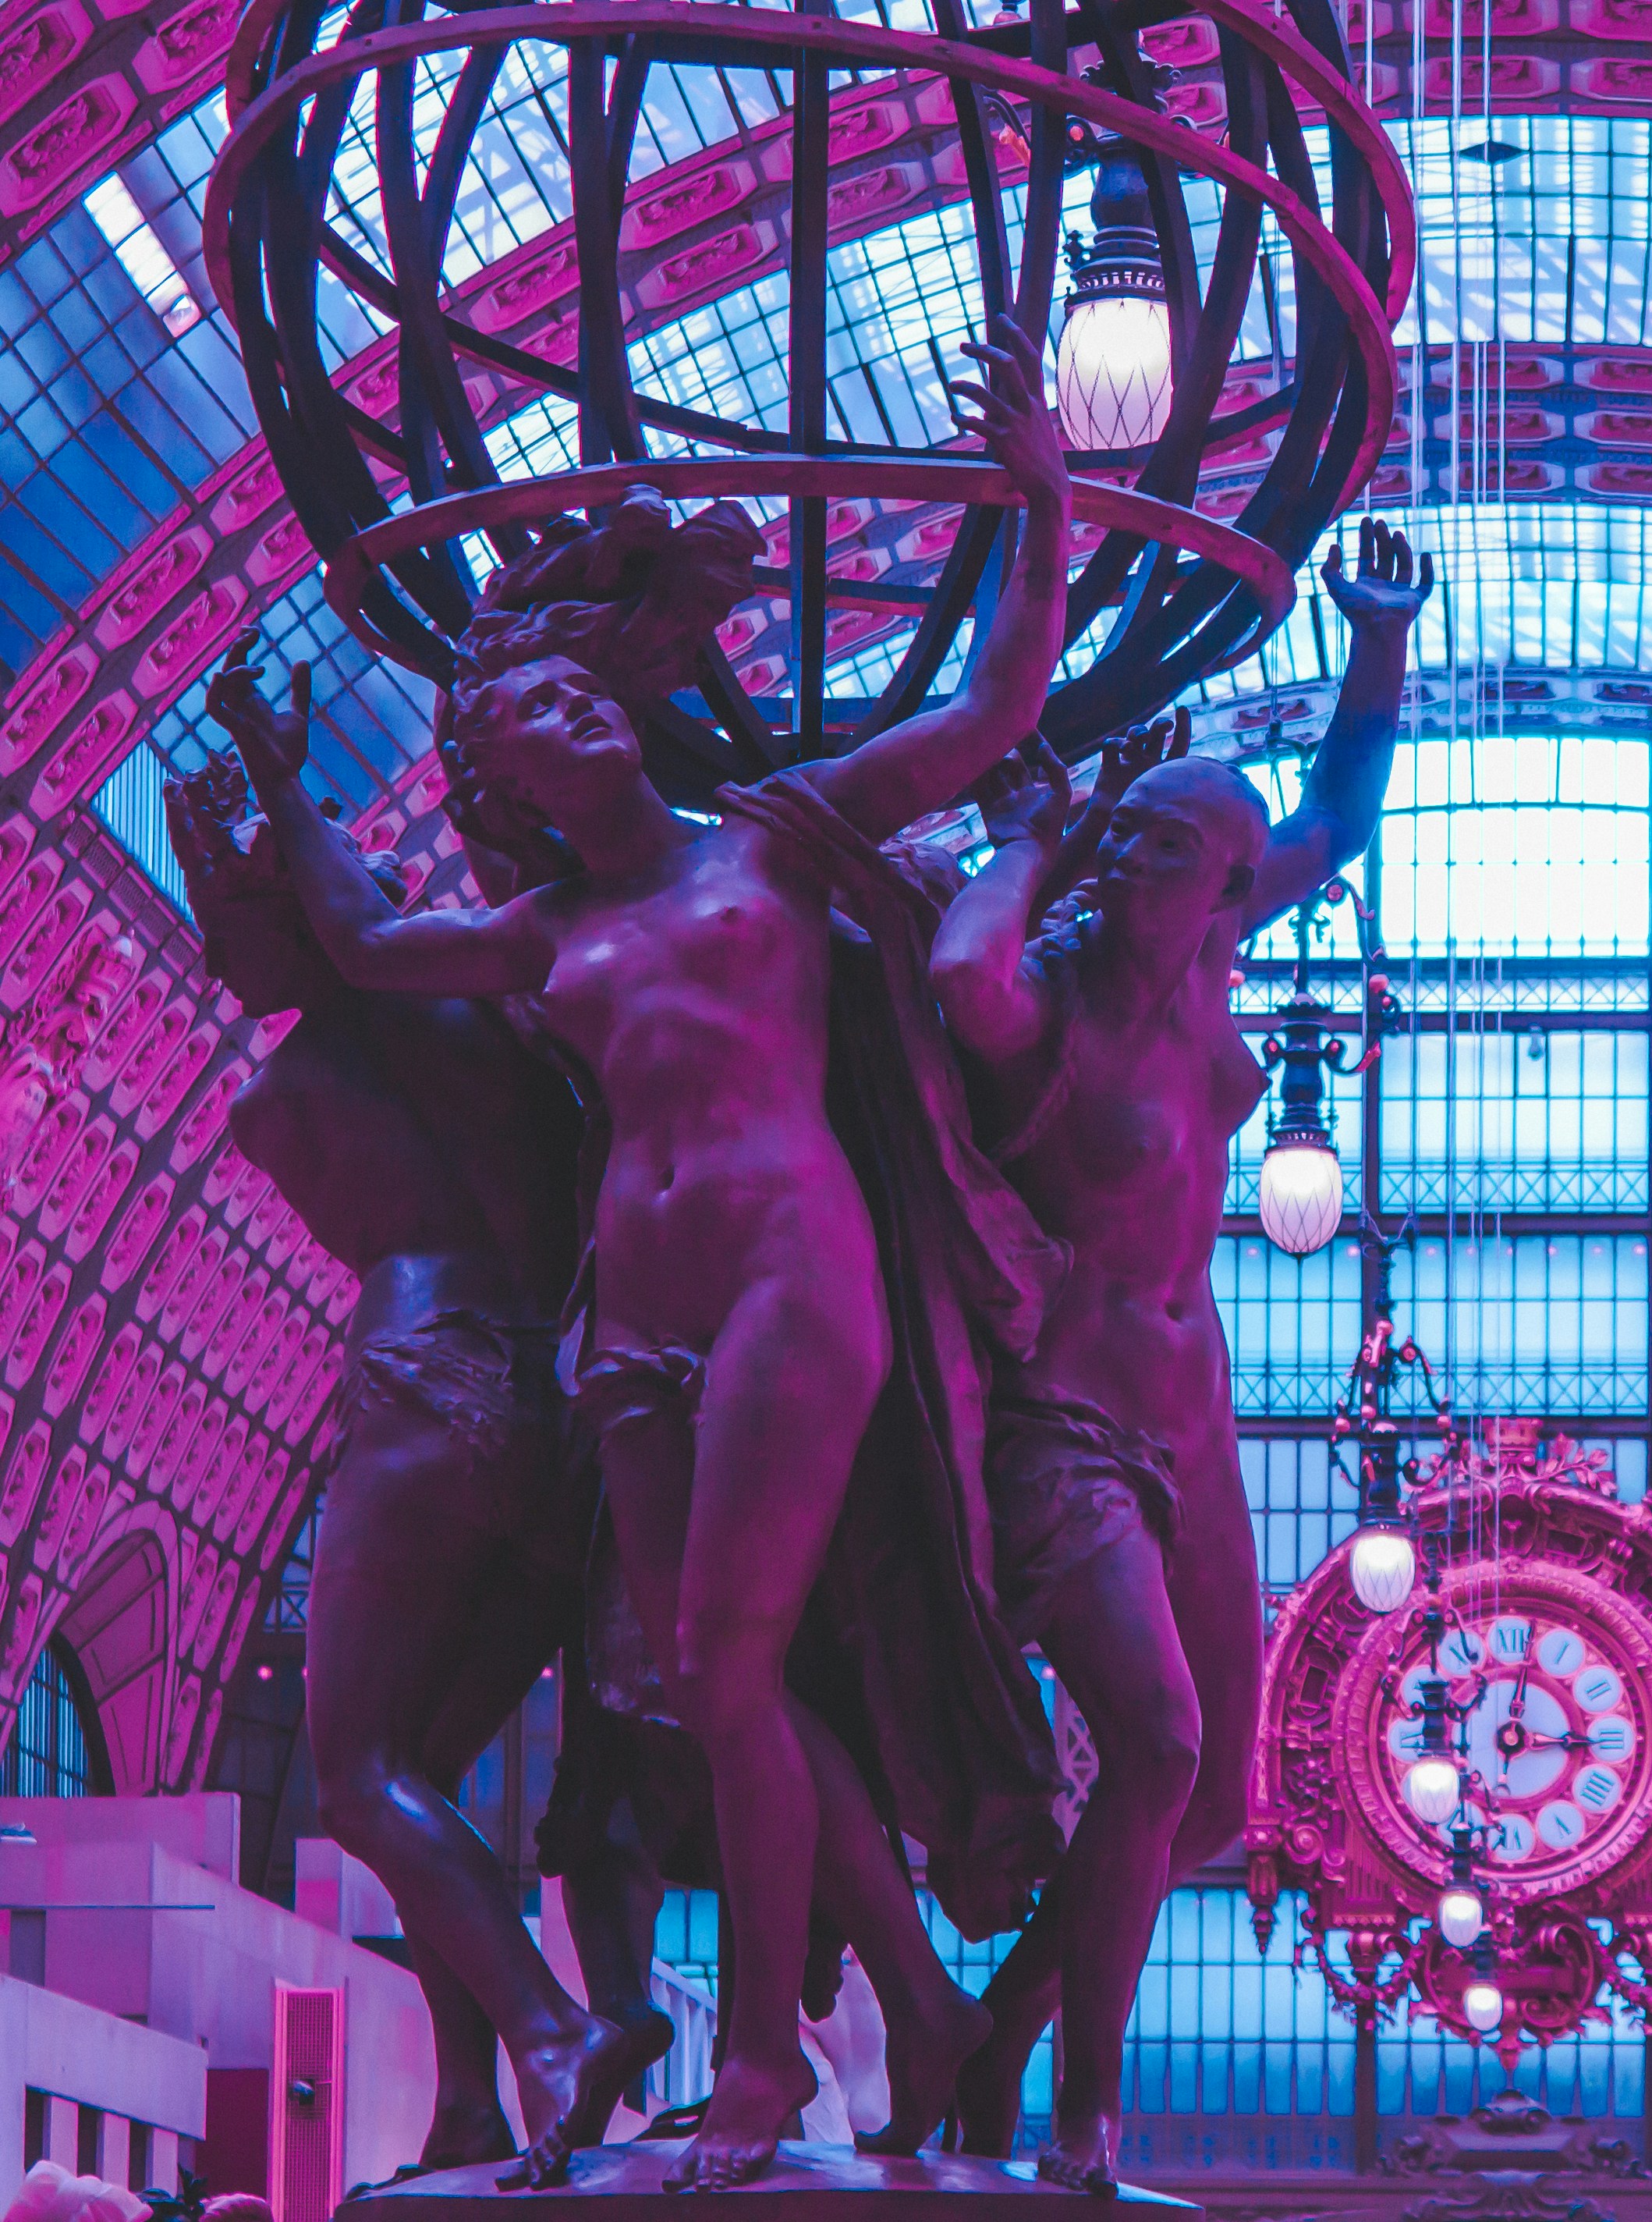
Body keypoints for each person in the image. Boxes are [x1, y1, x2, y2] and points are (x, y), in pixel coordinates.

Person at [211, 317, 1078, 2192]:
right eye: (536, 709)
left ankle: (767, 2054)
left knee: (737, 1654)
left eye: (591, 692)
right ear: (505, 774)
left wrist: (1040, 492)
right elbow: (363, 946)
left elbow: (995, 707)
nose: (583, 710)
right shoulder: (539, 934)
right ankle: (860, 2025)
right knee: (694, 1675)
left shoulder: (776, 836)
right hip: (633, 1316)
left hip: (790, 1273)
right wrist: (282, 788)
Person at [931, 519, 1433, 2187]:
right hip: (1061, 1421)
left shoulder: (1208, 964)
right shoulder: (1045, 1001)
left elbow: (1343, 817)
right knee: (1151, 1742)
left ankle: (993, 2041)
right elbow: (954, 971)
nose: (1198, 876)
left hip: (1188, 1418)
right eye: (1153, 842)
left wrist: (1376, 640)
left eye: (1211, 859)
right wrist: (1023, 842)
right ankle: (1082, 2115)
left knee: (1207, 1796)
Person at [161, 752, 668, 2182]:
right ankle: (463, 2109)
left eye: (229, 915)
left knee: (360, 1768)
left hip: (420, 1383)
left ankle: (546, 2026)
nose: (214, 952)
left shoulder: (288, 1095)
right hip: (561, 1404)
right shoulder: (508, 1026)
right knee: (433, 1766)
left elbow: (342, 1177)